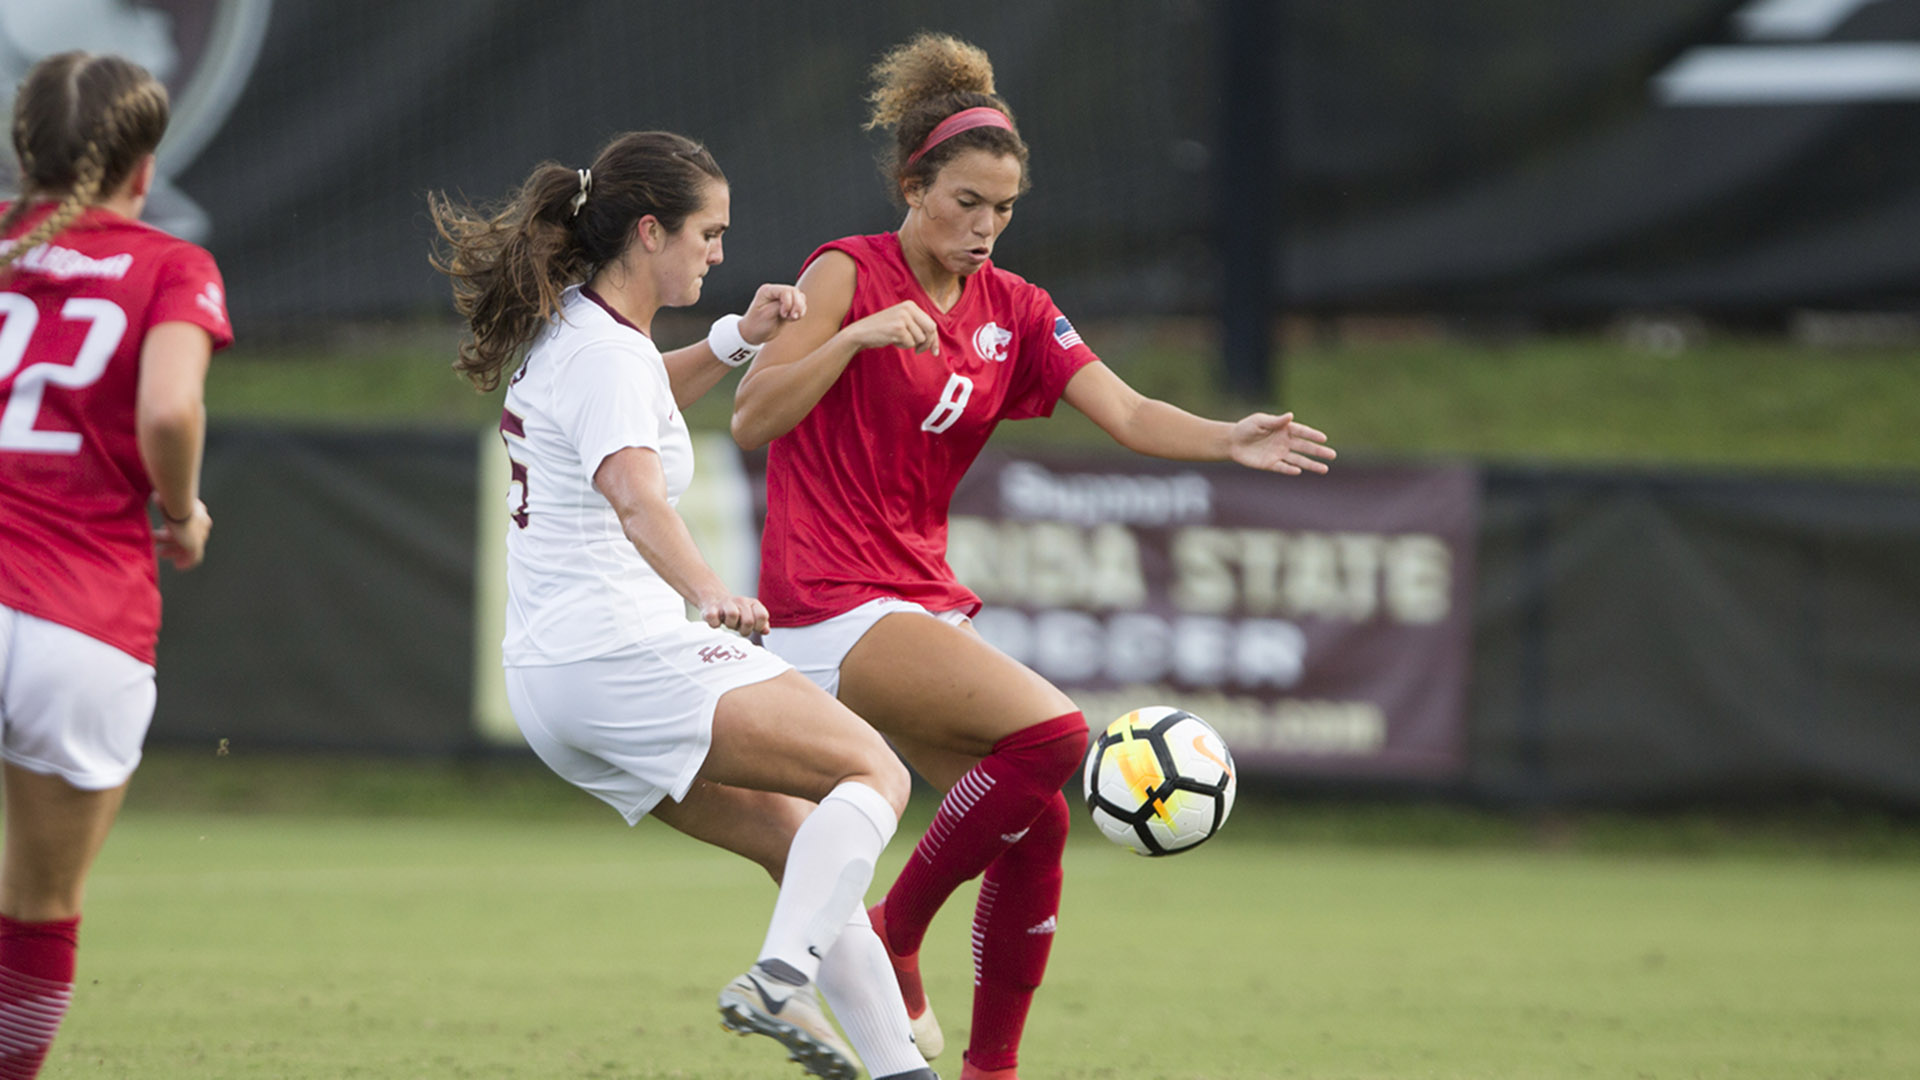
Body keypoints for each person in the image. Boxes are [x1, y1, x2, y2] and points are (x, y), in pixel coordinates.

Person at [731, 33, 1337, 1080]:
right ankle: (897, 929)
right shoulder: (847, 270)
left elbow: (1132, 412)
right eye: (965, 201)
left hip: (916, 601)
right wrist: (853, 341)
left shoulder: (1017, 310)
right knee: (1055, 734)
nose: (983, 226)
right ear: (915, 184)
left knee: (1038, 829)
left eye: (1002, 209)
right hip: (827, 599)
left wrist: (1228, 437)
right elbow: (751, 416)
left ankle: (990, 1070)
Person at [428, 131, 938, 1080]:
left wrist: (737, 339)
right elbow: (634, 491)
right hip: (617, 650)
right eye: (708, 233)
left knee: (802, 847)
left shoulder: (581, 335)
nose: (717, 252)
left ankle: (899, 1071)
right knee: (873, 771)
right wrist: (707, 590)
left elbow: (639, 402)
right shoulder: (604, 356)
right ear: (651, 231)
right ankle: (781, 976)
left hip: (554, 680)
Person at [0, 52, 229, 1079]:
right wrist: (179, 510)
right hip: (80, 625)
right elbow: (171, 408)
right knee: (40, 907)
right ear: (143, 165)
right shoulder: (169, 265)